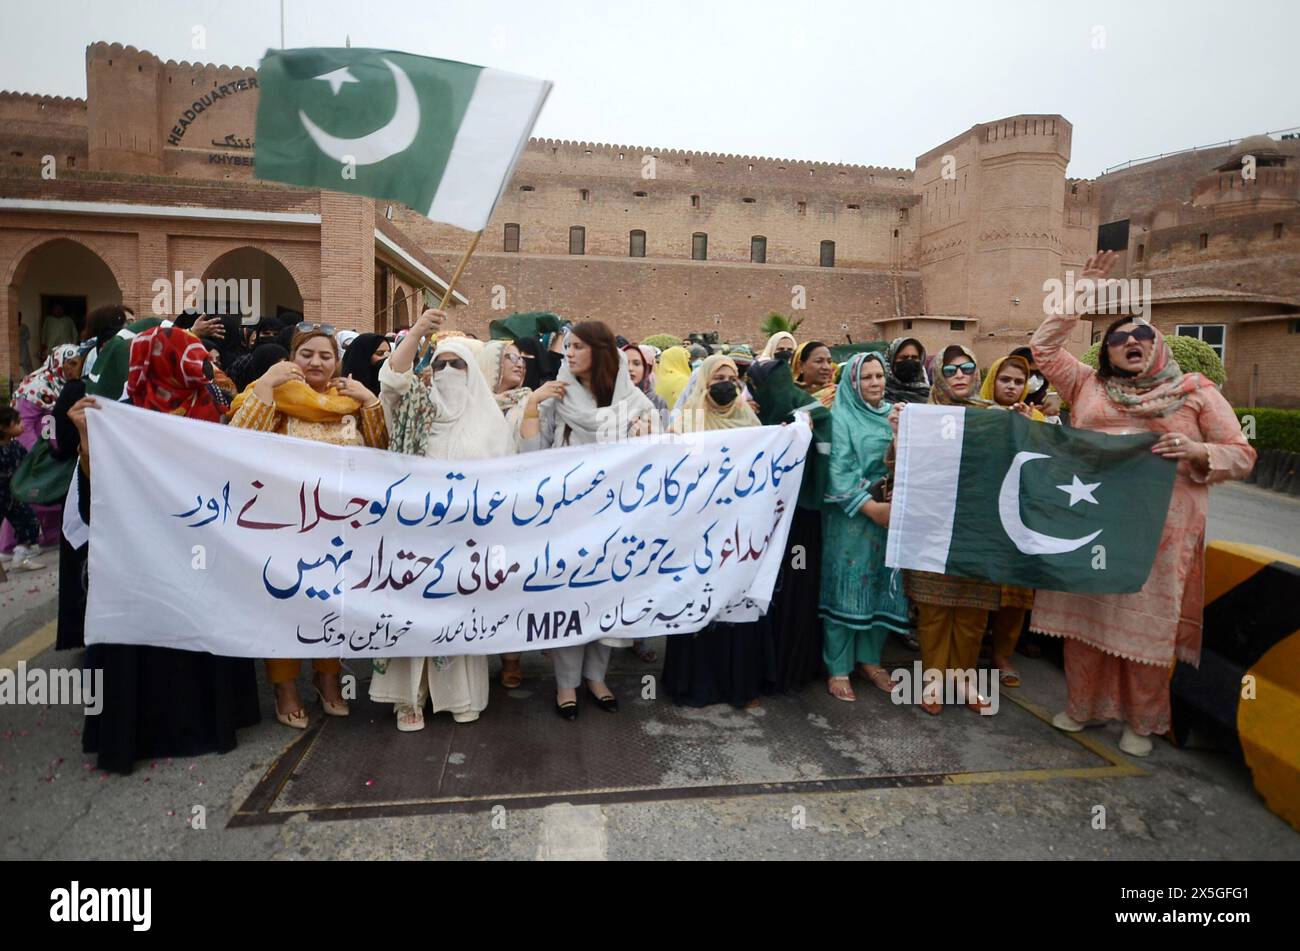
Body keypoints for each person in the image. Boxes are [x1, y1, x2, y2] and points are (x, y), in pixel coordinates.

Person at [1030, 251, 1255, 757]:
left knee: (1144, 626)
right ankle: (1083, 706)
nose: (1130, 342)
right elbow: (1042, 348)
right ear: (1105, 352)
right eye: (1117, 338)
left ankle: (1142, 721)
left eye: (1141, 336)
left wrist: (1199, 450)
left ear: (1157, 346)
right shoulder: (1087, 384)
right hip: (1092, 523)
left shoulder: (1195, 392)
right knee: (1087, 619)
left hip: (1160, 532)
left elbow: (1241, 455)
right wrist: (1080, 292)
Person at [65, 326, 261, 774]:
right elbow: (96, 503)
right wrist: (88, 440)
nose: (197, 367)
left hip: (201, 550)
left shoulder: (214, 409)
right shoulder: (122, 417)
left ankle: (212, 720)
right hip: (141, 557)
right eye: (184, 358)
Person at [227, 323, 388, 729]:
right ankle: (285, 687)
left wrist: (370, 402)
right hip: (284, 528)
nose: (316, 362)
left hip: (339, 530)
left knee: (333, 604)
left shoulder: (347, 402)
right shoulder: (274, 398)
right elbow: (235, 444)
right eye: (307, 354)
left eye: (326, 355)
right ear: (291, 358)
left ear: (337, 363)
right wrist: (265, 385)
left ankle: (328, 677)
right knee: (285, 607)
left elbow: (383, 453)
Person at [369, 309, 512, 730]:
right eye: (440, 364)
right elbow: (392, 380)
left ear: (474, 373)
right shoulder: (415, 409)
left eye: (458, 364)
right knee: (413, 613)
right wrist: (416, 332)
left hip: (467, 542)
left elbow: (507, 488)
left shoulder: (491, 424)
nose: (448, 371)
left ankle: (457, 696)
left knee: (458, 615)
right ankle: (408, 699)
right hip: (414, 537)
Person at [524, 320, 655, 719]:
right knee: (571, 601)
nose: (569, 352)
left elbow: (656, 464)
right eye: (568, 346)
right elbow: (530, 458)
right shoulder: (555, 398)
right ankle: (566, 685)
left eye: (579, 346)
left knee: (607, 600)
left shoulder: (636, 404)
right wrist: (531, 408)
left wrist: (647, 436)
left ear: (599, 351)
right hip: (568, 522)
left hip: (618, 524)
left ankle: (597, 678)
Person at [661, 355, 771, 707]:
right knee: (697, 601)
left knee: (734, 606)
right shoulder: (686, 421)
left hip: (738, 531)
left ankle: (737, 685)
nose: (726, 383)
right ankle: (695, 685)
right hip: (697, 529)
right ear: (702, 380)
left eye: (733, 377)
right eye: (717, 376)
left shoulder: (749, 419)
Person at [902, 344, 999, 715]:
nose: (960, 375)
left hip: (980, 528)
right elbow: (897, 465)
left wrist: (1025, 425)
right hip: (933, 525)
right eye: (951, 369)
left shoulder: (995, 417)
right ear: (938, 375)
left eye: (967, 368)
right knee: (935, 608)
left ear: (977, 373)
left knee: (973, 612)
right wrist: (899, 432)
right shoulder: (922, 415)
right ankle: (932, 679)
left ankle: (964, 679)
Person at [473, 336, 564, 689]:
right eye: (509, 358)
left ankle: (511, 659)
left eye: (521, 359)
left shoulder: (528, 402)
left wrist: (529, 407)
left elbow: (530, 451)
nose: (519, 363)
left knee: (508, 584)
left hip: (514, 509)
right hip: (476, 509)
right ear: (491, 364)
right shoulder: (471, 403)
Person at [819, 353, 910, 701]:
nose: (875, 383)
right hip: (853, 520)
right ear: (853, 382)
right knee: (847, 588)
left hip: (891, 517)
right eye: (867, 378)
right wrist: (872, 508)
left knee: (881, 586)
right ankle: (838, 667)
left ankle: (870, 660)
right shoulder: (840, 417)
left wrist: (900, 432)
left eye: (879, 376)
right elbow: (838, 470)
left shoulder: (896, 414)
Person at [746, 358, 830, 693]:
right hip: (765, 523)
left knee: (793, 591)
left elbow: (820, 459)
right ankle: (763, 667)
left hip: (800, 525)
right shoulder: (753, 416)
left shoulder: (813, 415)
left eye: (758, 386)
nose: (754, 392)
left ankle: (788, 667)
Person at [976, 353, 1044, 687]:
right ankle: (970, 649)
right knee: (978, 584)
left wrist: (1028, 426)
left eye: (1019, 382)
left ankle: (1002, 654)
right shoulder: (975, 414)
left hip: (1019, 515)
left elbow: (1049, 461)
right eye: (1005, 380)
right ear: (993, 381)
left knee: (1015, 589)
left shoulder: (1038, 419)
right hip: (982, 514)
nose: (1012, 387)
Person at [0, 406, 43, 570]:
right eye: (17, 423)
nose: (22, 425)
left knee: (29, 522)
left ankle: (20, 557)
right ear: (3, 427)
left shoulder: (16, 447)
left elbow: (29, 464)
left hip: (14, 497)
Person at [623, 342, 671, 432]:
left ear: (645, 369)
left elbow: (665, 437)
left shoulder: (657, 401)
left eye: (636, 363)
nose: (630, 368)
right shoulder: (607, 401)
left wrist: (653, 430)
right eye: (624, 363)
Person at [340, 331, 390, 396]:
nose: (386, 358)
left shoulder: (391, 387)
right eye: (380, 353)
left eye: (388, 353)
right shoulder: (344, 390)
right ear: (363, 356)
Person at [883, 337, 930, 405]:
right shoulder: (880, 394)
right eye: (904, 357)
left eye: (914, 357)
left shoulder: (928, 395)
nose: (910, 361)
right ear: (892, 361)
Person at [791, 340, 837, 406]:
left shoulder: (839, 397)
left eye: (829, 362)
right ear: (800, 365)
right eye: (819, 361)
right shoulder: (787, 398)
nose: (826, 367)